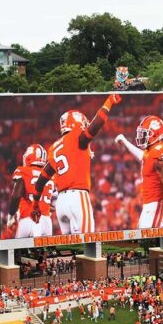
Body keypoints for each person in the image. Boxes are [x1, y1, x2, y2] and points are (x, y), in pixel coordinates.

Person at [30, 93, 121, 234]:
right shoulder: (76, 136)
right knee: (88, 243)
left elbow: (41, 180)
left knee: (70, 246)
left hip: (61, 203)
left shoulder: (54, 147)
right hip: (77, 197)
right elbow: (97, 124)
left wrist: (35, 204)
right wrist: (108, 102)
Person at [115, 116, 163, 228]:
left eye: (145, 133)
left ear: (155, 134)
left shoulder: (159, 150)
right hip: (149, 206)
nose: (142, 136)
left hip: (155, 206)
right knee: (141, 240)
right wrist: (125, 142)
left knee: (146, 242)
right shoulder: (151, 151)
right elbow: (143, 157)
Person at [7, 143, 56, 238]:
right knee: (45, 252)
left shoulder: (24, 171)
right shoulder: (50, 177)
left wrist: (11, 216)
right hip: (46, 222)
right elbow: (53, 204)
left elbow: (16, 195)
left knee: (20, 251)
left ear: (29, 157)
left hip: (28, 219)